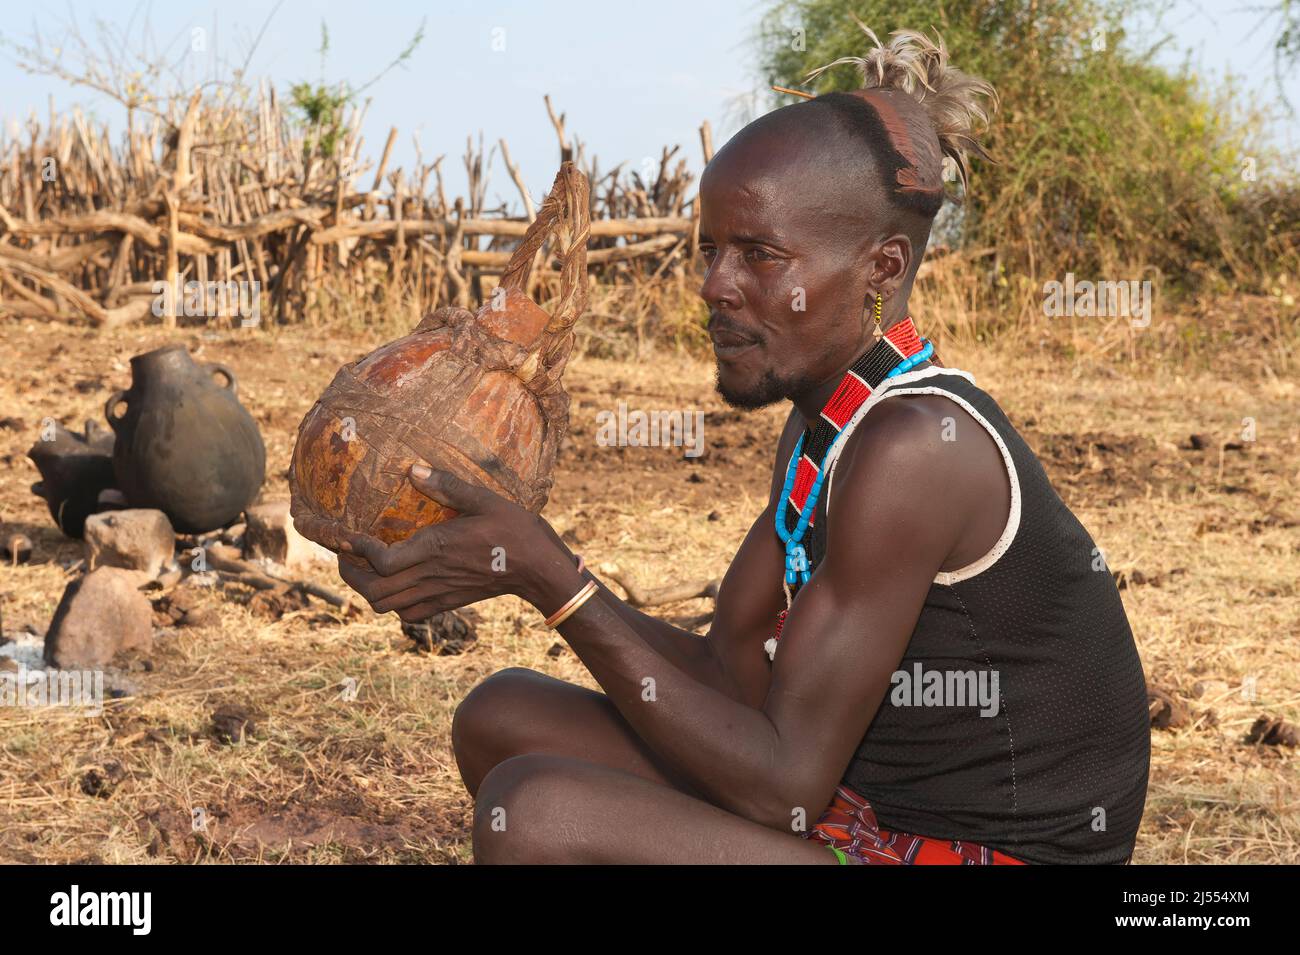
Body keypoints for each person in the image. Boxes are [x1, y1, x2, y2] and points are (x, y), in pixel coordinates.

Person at [336, 25, 1151, 865]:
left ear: (883, 266)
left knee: (538, 813)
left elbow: (784, 783)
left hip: (968, 854)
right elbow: (729, 672)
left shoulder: (917, 446)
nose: (714, 285)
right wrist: (515, 567)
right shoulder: (825, 422)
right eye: (711, 250)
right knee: (501, 715)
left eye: (759, 254)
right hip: (863, 811)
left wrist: (552, 575)